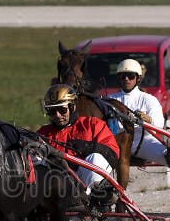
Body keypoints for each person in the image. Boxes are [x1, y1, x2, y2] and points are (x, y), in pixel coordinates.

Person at [37, 84, 120, 213]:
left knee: (95, 157)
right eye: (52, 111)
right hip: (59, 181)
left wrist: (89, 147)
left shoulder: (92, 124)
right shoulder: (43, 133)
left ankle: (99, 196)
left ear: (72, 107)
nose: (57, 115)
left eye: (62, 110)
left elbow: (113, 153)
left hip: (86, 178)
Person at [108, 58, 170, 167]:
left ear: (138, 78)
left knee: (169, 160)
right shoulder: (109, 100)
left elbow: (159, 125)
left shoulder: (148, 99)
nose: (126, 79)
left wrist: (149, 119)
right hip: (117, 142)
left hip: (143, 142)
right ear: (119, 77)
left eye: (131, 76)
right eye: (123, 76)